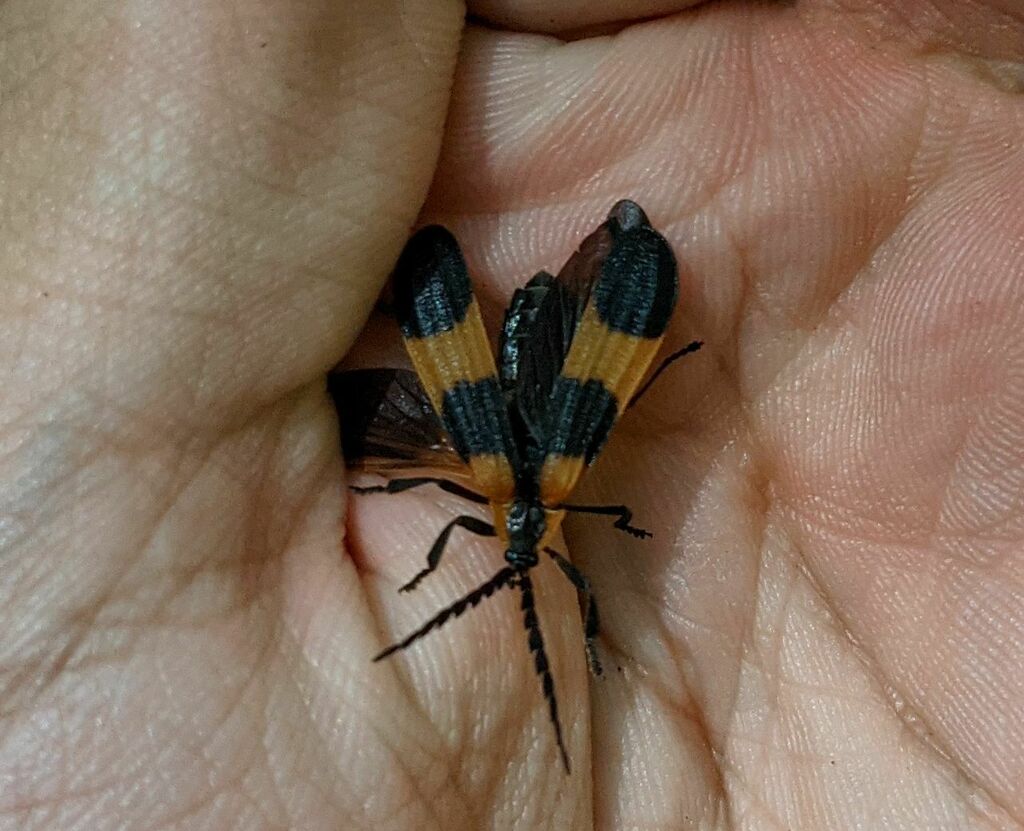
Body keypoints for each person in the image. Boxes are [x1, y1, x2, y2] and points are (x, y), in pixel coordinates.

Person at [2, 1, 1022, 828]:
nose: (516, 550)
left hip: (520, 365)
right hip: (542, 357)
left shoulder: (496, 492)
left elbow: (501, 514)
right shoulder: (533, 490)